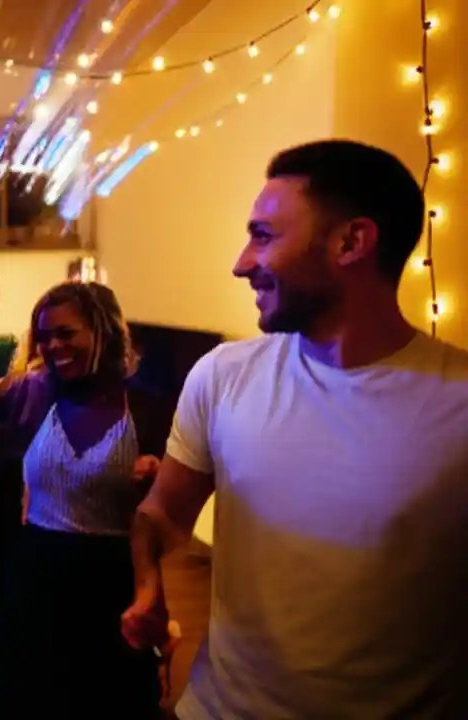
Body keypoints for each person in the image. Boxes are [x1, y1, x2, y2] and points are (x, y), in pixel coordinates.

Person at [122, 140, 468, 718]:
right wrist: (146, 582)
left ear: (351, 243)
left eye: (263, 236)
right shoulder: (222, 375)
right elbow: (162, 514)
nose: (241, 263)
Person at [0, 272, 171, 717]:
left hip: (113, 575)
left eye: (66, 334)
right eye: (45, 336)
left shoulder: (146, 406)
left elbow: (171, 505)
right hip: (37, 570)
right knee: (32, 697)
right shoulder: (37, 391)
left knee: (107, 700)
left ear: (103, 331)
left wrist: (158, 477)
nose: (52, 346)